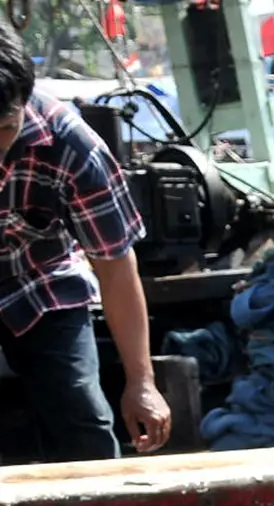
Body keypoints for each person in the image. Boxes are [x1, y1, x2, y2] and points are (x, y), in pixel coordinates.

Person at [0, 21, 169, 463]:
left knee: (80, 413)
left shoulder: (74, 148)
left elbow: (114, 267)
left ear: (23, 101)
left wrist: (141, 381)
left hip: (38, 282)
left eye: (4, 128)